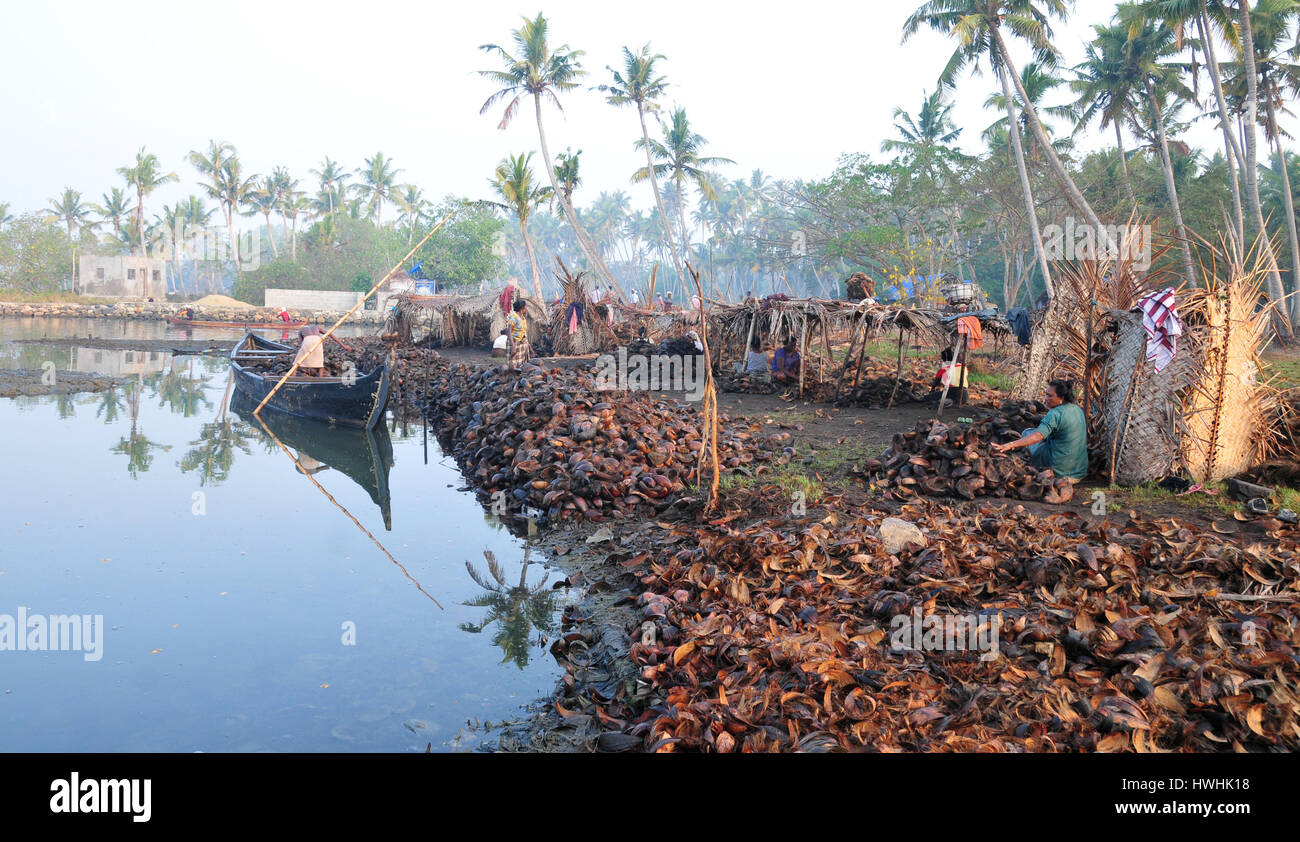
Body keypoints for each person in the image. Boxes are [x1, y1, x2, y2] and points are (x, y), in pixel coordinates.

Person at [992, 379, 1088, 482]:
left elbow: (1037, 436)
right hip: (1079, 471)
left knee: (1027, 433)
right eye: (1046, 394)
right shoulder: (1077, 409)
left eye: (1050, 396)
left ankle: (1036, 462)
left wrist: (1010, 445)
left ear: (1061, 397)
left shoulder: (1055, 414)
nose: (1045, 398)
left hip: (1059, 472)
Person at [507, 299, 532, 369]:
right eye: (525, 307)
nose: (526, 309)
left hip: (522, 344)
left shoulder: (523, 318)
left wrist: (530, 348)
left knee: (521, 366)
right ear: (521, 309)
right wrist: (513, 346)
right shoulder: (514, 317)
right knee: (513, 365)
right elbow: (509, 332)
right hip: (514, 343)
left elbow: (523, 333)